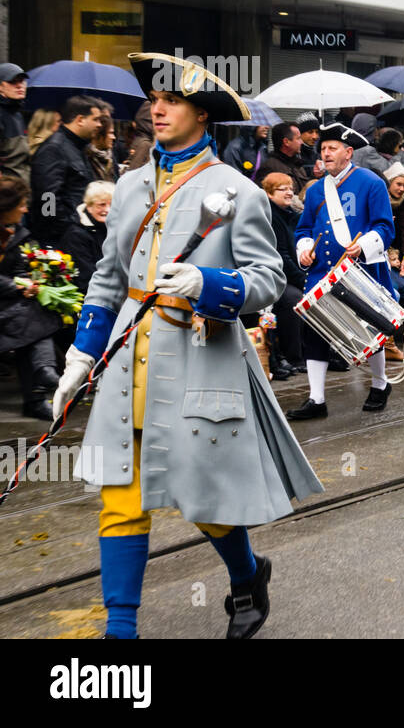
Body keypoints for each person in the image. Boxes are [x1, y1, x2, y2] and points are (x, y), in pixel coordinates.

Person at [48, 64, 322, 639]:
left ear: (202, 114)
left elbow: (268, 280)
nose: (159, 109)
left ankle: (248, 577)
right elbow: (108, 277)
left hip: (202, 358)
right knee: (121, 499)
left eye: (173, 100)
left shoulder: (238, 190)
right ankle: (120, 631)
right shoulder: (127, 186)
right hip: (128, 365)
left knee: (205, 500)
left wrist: (209, 285)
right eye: (155, 99)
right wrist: (79, 356)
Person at [288, 122, 398, 419]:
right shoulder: (315, 191)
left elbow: (385, 227)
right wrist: (304, 249)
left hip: (359, 271)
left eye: (332, 148)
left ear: (348, 152)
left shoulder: (370, 183)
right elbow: (305, 229)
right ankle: (316, 399)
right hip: (321, 272)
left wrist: (364, 245)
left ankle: (379, 383)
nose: (326, 153)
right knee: (315, 331)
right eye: (323, 149)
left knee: (369, 328)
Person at [0, 176, 63, 418]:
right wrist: (17, 285)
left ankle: (42, 377)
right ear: (6, 208)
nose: (26, 209)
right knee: (29, 318)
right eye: (21, 205)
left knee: (33, 312)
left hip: (8, 300)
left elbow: (17, 268)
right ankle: (42, 378)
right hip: (6, 298)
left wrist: (26, 281)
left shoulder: (16, 233)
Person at [30, 96, 104, 245]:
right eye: (95, 119)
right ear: (80, 119)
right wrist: (65, 226)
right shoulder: (54, 148)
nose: (99, 125)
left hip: (78, 233)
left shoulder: (77, 147)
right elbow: (47, 196)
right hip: (61, 238)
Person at [261, 172, 307, 377]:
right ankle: (294, 356)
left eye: (290, 188)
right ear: (269, 194)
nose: (289, 192)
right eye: (283, 189)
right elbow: (282, 256)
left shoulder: (293, 215)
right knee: (293, 299)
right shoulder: (269, 216)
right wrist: (303, 280)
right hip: (273, 275)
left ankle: (316, 353)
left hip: (292, 273)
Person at [61, 180, 114, 296]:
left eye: (112, 205)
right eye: (102, 204)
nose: (108, 210)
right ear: (89, 206)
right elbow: (86, 277)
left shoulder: (113, 228)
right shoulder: (76, 235)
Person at [256, 122, 311, 195]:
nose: (301, 142)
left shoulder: (298, 165)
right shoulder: (270, 167)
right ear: (286, 142)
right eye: (298, 138)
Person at [0, 64, 31, 184]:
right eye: (13, 82)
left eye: (22, 81)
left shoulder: (17, 113)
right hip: (8, 195)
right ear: (1, 86)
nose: (19, 85)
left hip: (20, 189)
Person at [384, 162, 404, 276]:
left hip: (395, 250)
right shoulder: (378, 198)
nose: (402, 189)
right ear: (390, 182)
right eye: (398, 184)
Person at [295, 112, 323, 177]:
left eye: (317, 132)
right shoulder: (294, 155)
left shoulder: (318, 153)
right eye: (310, 132)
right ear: (300, 133)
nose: (315, 136)